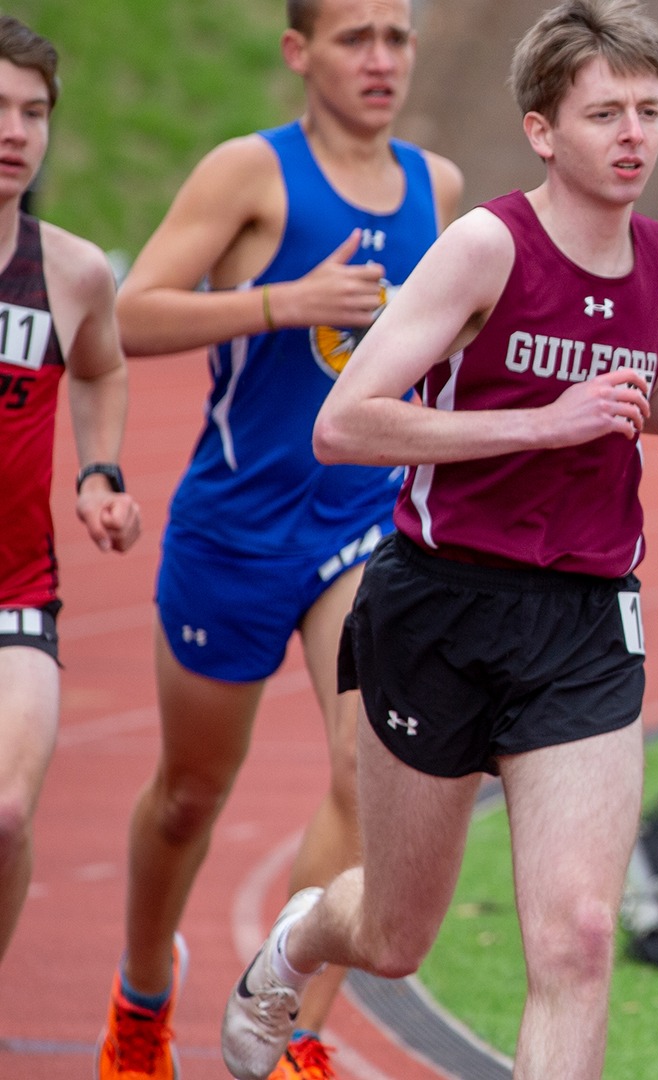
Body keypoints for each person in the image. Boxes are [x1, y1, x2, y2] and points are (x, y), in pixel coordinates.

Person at [218, 3, 658, 1077]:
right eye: (605, 114)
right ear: (545, 131)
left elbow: (639, 392)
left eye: (649, 111)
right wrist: (537, 424)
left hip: (588, 620)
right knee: (396, 939)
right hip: (441, 606)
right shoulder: (486, 247)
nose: (634, 134)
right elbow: (345, 421)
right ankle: (297, 941)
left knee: (579, 937)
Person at [99, 1, 462, 1077]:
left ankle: (287, 1026)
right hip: (234, 530)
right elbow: (130, 314)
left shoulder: (435, 187)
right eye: (358, 38)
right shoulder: (248, 174)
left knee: (369, 783)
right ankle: (140, 998)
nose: (382, 60)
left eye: (398, 37)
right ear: (301, 52)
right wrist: (281, 302)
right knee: (187, 797)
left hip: (358, 522)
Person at [0, 13, 142, 969]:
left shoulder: (72, 272)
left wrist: (99, 472)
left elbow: (99, 370)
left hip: (16, 592)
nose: (16, 131)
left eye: (35, 112)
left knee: (6, 815)